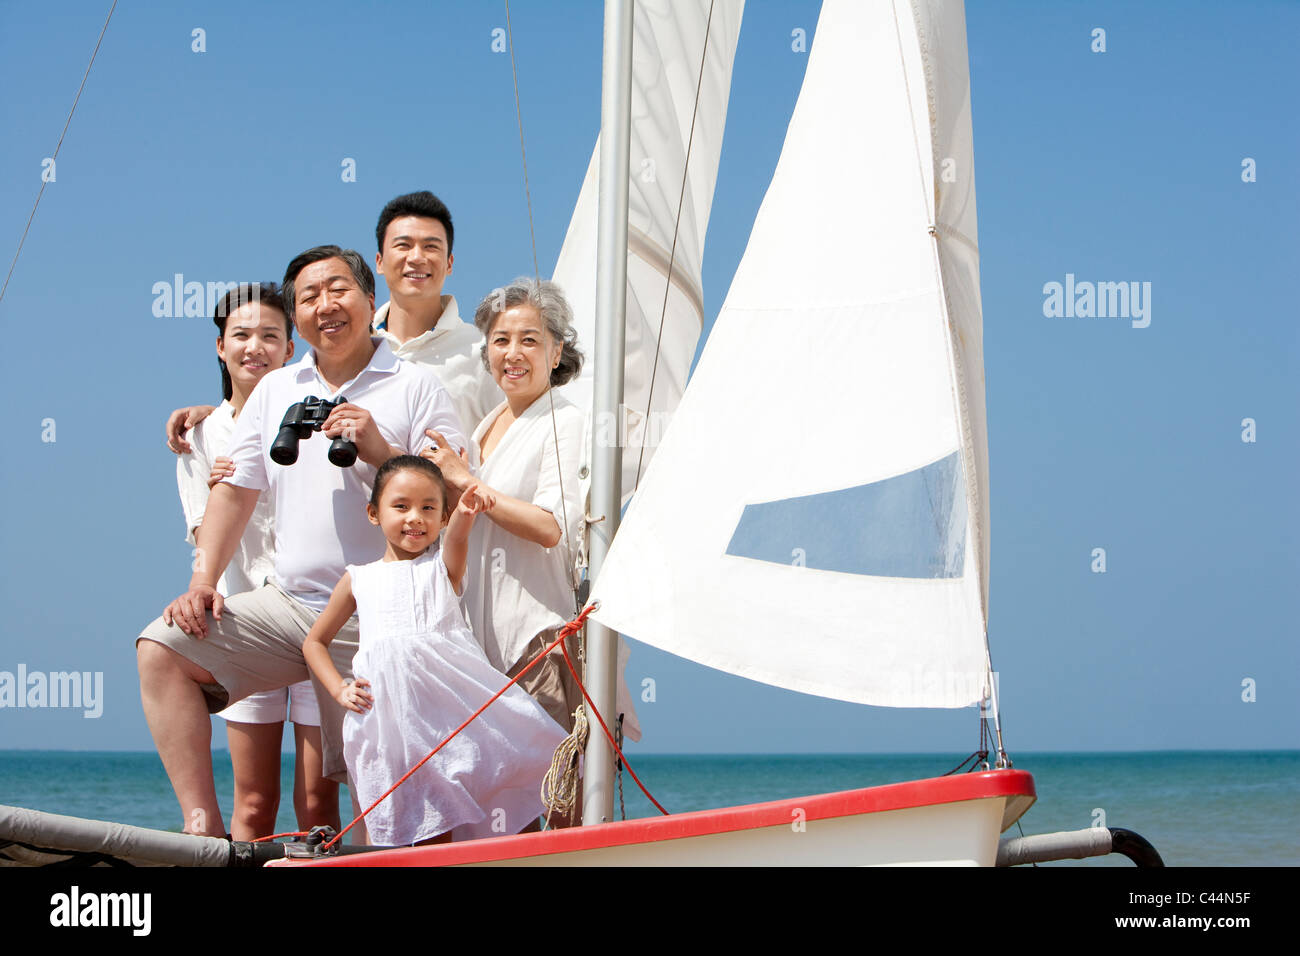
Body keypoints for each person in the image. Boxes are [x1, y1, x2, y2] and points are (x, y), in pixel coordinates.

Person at [137, 245, 465, 838]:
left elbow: (453, 494)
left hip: (383, 616)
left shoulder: (417, 385)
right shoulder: (276, 389)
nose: (324, 305)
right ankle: (203, 835)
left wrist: (380, 449)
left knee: (384, 811)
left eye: (337, 290)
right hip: (290, 606)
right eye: (308, 297)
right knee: (161, 650)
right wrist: (202, 582)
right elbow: (233, 491)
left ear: (371, 300)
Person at [303, 456, 566, 845]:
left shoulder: (441, 568)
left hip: (449, 722)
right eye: (401, 506)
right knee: (409, 822)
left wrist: (464, 512)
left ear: (442, 519)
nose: (416, 518)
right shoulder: (359, 578)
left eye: (429, 508)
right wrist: (339, 689)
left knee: (470, 814)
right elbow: (314, 642)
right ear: (374, 513)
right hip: (391, 724)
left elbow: (458, 538)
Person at [174, 281, 340, 840]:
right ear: (219, 347)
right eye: (240, 335)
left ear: (291, 347)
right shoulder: (200, 435)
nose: (256, 347)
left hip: (322, 620)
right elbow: (205, 530)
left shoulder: (316, 413)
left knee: (319, 801)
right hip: (245, 619)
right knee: (254, 801)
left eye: (271, 336)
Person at [163, 190, 497, 455]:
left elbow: (510, 433)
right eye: (403, 245)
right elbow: (276, 395)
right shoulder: (335, 339)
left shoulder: (483, 352)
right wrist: (217, 418)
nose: (417, 257)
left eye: (431, 247)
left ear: (450, 263)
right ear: (379, 262)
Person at [424, 278, 586, 746]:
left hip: (537, 640)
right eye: (501, 340)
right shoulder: (486, 425)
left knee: (550, 797)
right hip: (479, 646)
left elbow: (550, 527)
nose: (513, 353)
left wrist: (467, 482)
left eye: (529, 340)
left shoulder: (564, 419)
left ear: (556, 353)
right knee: (501, 804)